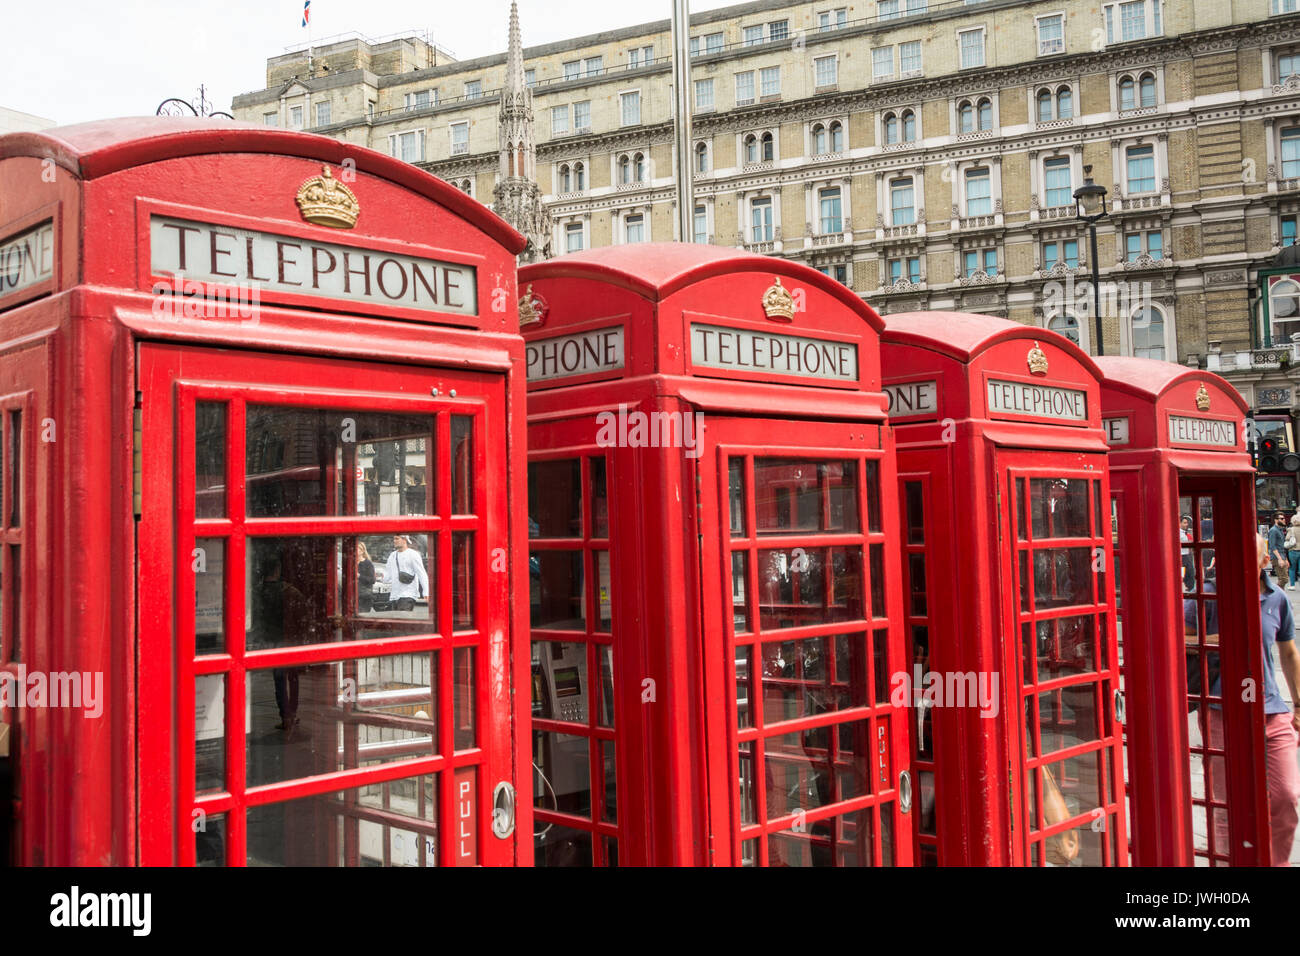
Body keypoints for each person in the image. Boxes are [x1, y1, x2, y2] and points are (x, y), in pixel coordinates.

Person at [1252, 534, 1300, 864]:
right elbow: (1179, 639)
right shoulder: (1206, 597)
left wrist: (1299, 704)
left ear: (1265, 560)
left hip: (1272, 708)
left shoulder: (1277, 598)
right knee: (1231, 808)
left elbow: (1289, 653)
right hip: (1221, 710)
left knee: (1286, 796)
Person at [385, 534, 429, 612]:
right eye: (394, 539)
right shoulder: (392, 555)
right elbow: (388, 575)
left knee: (402, 619)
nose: (394, 541)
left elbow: (421, 573)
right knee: (396, 621)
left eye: (397, 539)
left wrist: (426, 592)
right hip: (394, 595)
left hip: (408, 594)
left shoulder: (413, 554)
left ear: (404, 539)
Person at [1269, 513, 1290, 584]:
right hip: (1276, 557)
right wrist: (1280, 559)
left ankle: (1279, 594)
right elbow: (1272, 546)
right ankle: (1276, 594)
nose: (1284, 520)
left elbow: (1282, 546)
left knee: (1284, 579)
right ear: (1276, 520)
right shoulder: (1273, 530)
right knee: (1283, 579)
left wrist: (1286, 559)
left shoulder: (1280, 530)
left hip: (1282, 556)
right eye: (1281, 519)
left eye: (1283, 518)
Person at [356, 540, 376, 613]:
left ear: (362, 551)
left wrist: (359, 576)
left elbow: (372, 580)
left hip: (364, 596)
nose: (355, 550)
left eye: (357, 548)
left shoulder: (368, 563)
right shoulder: (350, 562)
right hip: (353, 596)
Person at [1180, 515, 1196, 592]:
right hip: (1181, 556)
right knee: (1182, 573)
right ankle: (1181, 585)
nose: (1186, 524)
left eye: (1187, 523)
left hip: (1188, 555)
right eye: (1184, 523)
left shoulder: (1187, 533)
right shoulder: (1178, 533)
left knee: (1191, 572)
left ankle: (1190, 587)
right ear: (1179, 523)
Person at [1288, 517, 1300, 592]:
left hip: (1293, 550)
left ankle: (1292, 585)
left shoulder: (1291, 529)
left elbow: (1287, 538)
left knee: (1292, 568)